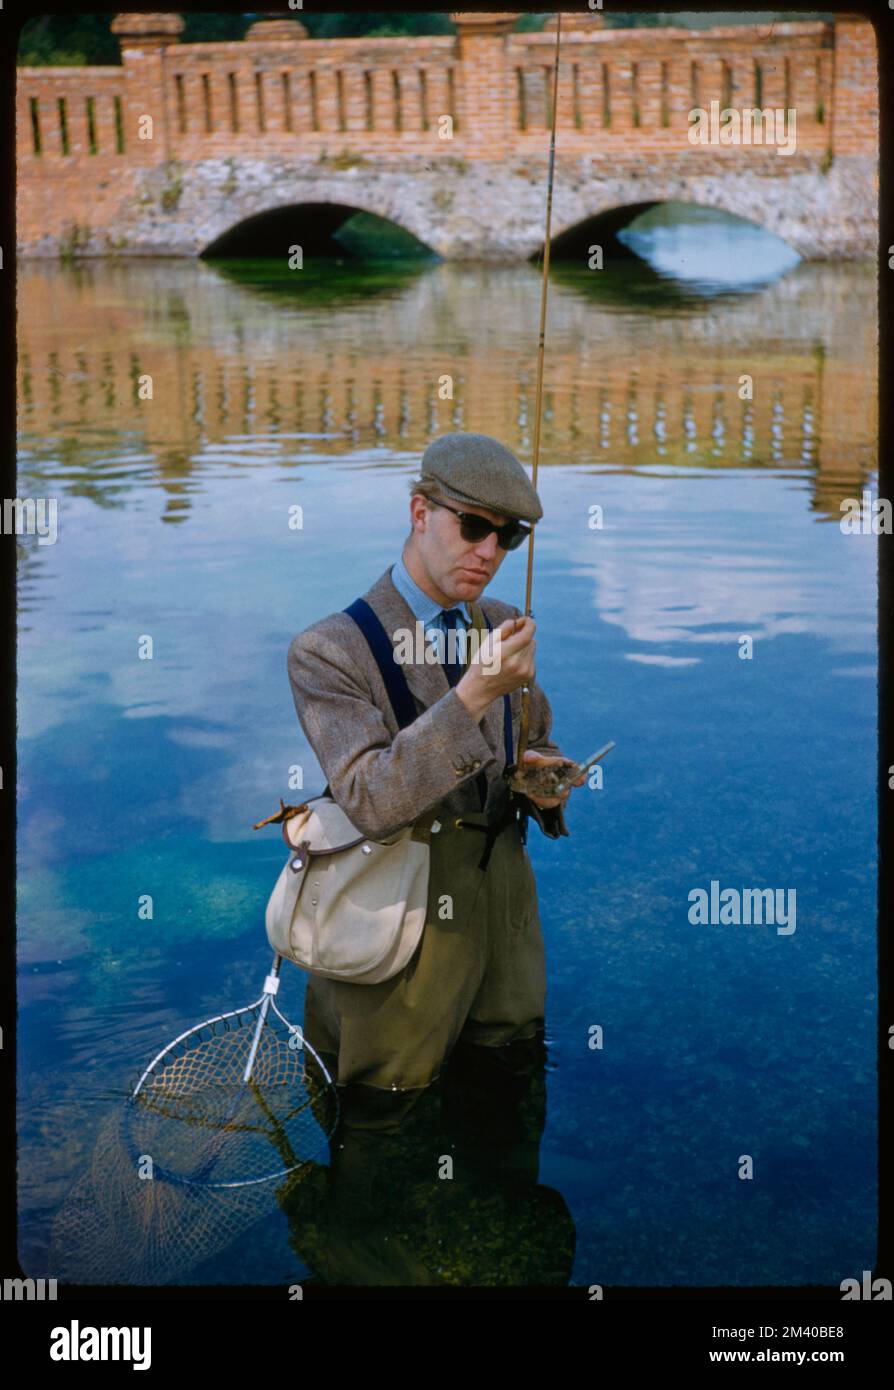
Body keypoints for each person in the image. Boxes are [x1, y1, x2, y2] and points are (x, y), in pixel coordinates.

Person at [286, 431, 585, 1129]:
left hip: (505, 925)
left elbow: (532, 739)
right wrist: (474, 693)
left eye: (507, 536)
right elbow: (369, 800)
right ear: (420, 513)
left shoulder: (504, 623)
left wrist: (541, 776)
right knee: (383, 1125)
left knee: (508, 1099)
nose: (489, 552)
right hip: (397, 932)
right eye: (472, 526)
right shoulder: (330, 650)